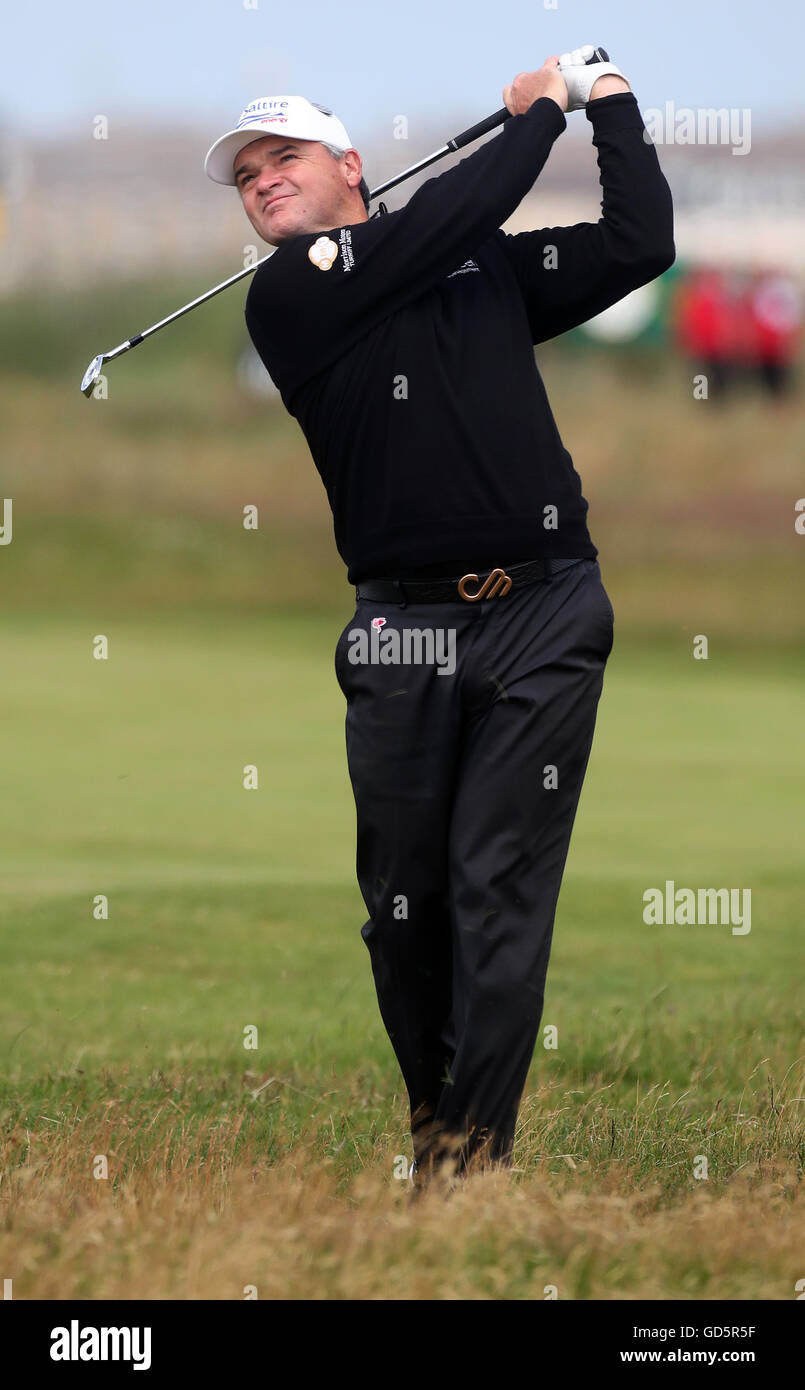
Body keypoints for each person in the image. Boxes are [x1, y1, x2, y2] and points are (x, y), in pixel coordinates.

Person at [204, 51, 675, 1190]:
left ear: (349, 165)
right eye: (247, 175)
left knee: (494, 886)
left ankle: (468, 1173)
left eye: (286, 158)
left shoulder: (478, 270)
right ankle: (438, 1134)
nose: (262, 181)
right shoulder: (295, 292)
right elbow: (450, 214)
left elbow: (636, 244)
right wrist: (535, 117)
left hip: (544, 608)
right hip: (399, 631)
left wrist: (609, 106)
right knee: (406, 916)